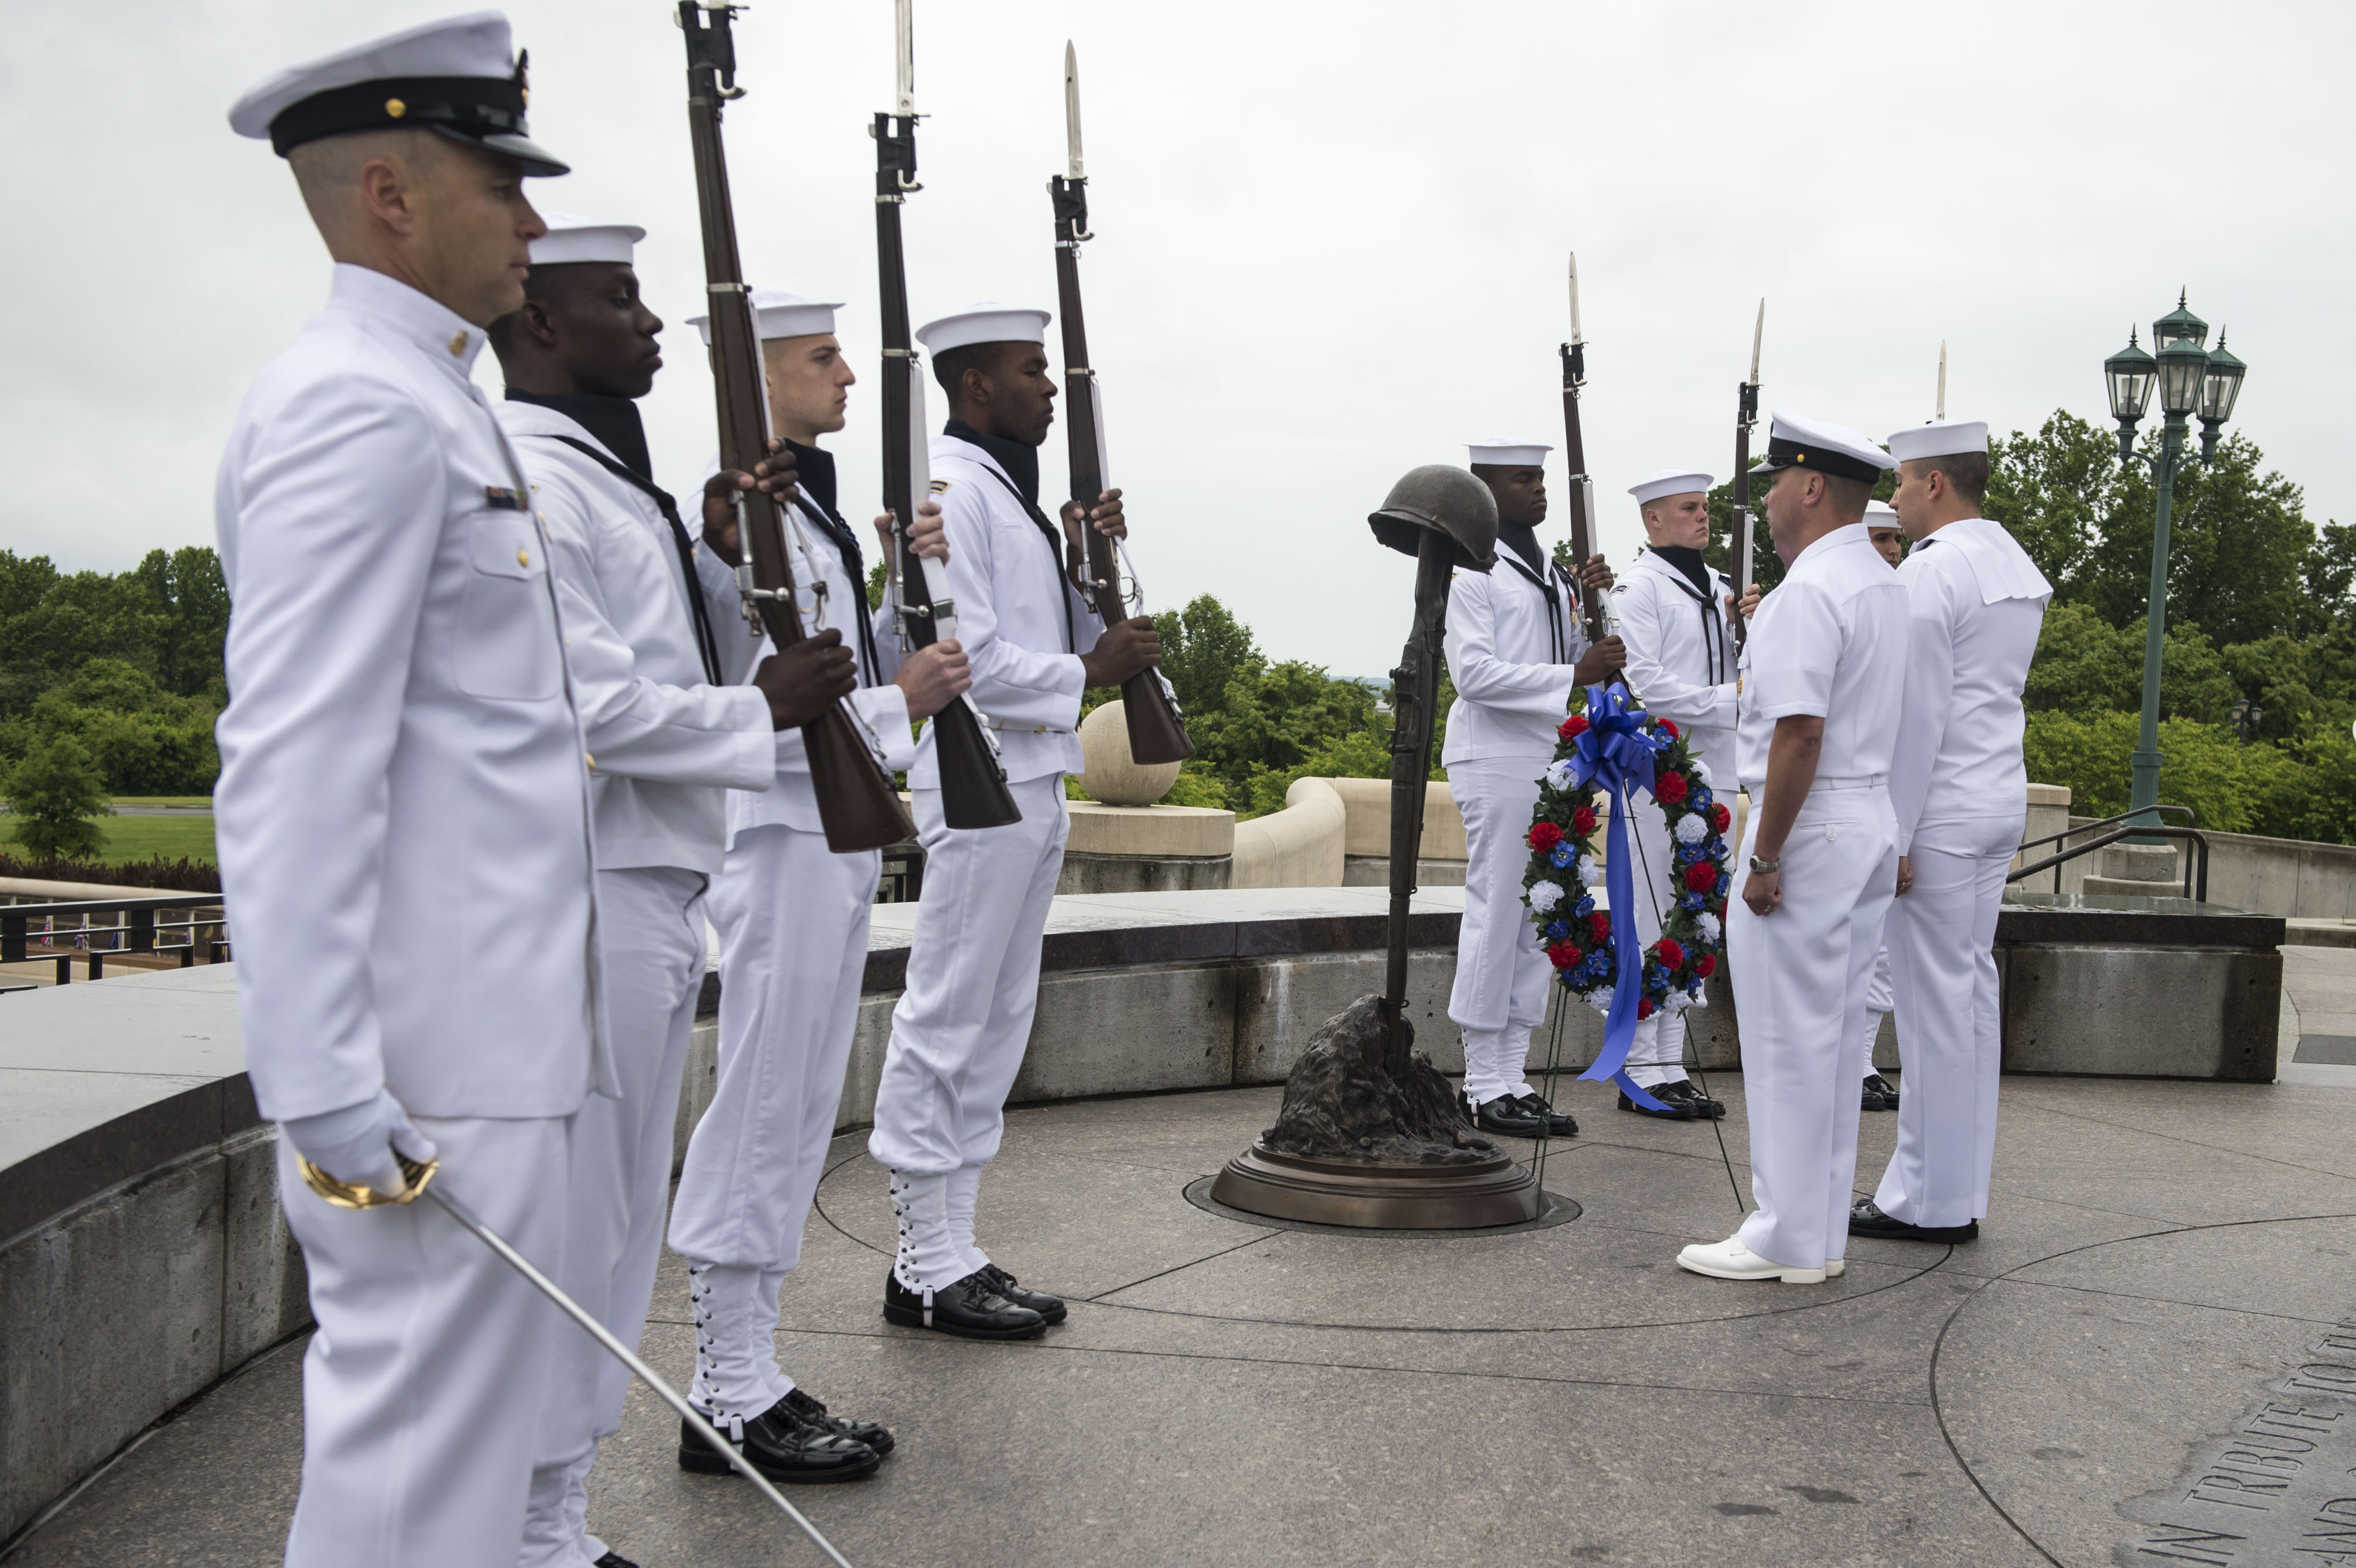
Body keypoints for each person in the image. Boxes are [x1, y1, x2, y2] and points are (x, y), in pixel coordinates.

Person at [217, 17, 599, 1566]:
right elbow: (299, 757)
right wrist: (322, 1092)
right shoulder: (355, 407)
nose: (533, 220)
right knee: (406, 1494)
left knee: (454, 1490)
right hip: (427, 1081)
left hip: (487, 1053)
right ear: (389, 190)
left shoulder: (431, 397)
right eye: (500, 179)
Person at [489, 221, 878, 1556]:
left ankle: (555, 1518)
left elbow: (658, 653)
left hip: (654, 879)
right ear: (540, 325)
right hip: (596, 887)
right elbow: (594, 702)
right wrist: (756, 709)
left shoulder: (610, 482)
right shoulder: (535, 478)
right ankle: (534, 1524)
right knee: (582, 1226)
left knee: (606, 1235)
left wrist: (719, 562)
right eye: (622, 300)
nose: (655, 324)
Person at [666, 289, 971, 1471]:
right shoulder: (735, 516)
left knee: (796, 1109)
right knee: (764, 1105)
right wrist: (904, 702)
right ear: (757, 378)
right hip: (776, 835)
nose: (849, 375)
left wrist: (902, 593)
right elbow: (754, 692)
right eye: (821, 357)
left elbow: (841, 667)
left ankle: (752, 1369)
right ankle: (725, 1389)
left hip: (824, 839)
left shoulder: (812, 514)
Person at [866, 303, 1162, 1338]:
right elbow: (971, 661)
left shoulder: (1010, 496)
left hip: (1032, 776)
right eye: (1032, 370)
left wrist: (1089, 560)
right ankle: (917, 1260)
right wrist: (1091, 669)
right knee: (948, 1015)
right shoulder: (953, 491)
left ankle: (953, 1244)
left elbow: (1049, 629)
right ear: (974, 385)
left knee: (994, 1023)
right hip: (983, 775)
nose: (1050, 386)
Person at [1675, 410, 1905, 1286]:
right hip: (1866, 817)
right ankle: (1816, 1234)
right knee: (1836, 1039)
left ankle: (1782, 1231)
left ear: (1811, 487)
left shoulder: (1809, 591)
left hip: (1807, 826)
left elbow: (1799, 733)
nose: (1765, 500)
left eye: (1773, 482)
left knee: (1785, 1040)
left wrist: (1765, 855)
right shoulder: (1886, 584)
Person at [1853, 419, 2051, 1245]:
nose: (1893, 498)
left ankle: (1923, 1199)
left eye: (1901, 480)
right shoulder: (2010, 564)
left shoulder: (1935, 572)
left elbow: (1917, 715)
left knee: (1937, 1008)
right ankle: (1958, 1188)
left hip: (1937, 808)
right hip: (1994, 796)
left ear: (1935, 483)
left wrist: (1892, 834)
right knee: (1968, 1000)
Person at [1442, 439, 1623, 1138]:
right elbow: (1476, 675)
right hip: (1495, 755)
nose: (1540, 490)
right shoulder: (1471, 568)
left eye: (1543, 477)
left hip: (1553, 755)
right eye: (1524, 479)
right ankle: (1482, 1082)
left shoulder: (1550, 570)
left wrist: (1591, 601)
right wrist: (1573, 675)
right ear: (1485, 490)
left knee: (1540, 920)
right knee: (1499, 915)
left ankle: (1513, 1073)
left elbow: (1575, 648)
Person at [1610, 469, 1760, 1121]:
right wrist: (1731, 700)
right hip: (1660, 770)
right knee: (1654, 911)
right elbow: (1648, 684)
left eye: (1705, 507)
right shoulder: (1638, 588)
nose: (1704, 517)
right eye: (1689, 508)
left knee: (1698, 911)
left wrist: (1759, 626)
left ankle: (1670, 1058)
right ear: (1654, 520)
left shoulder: (1721, 589)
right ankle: (1640, 1063)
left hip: (1717, 769)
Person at [1856, 498, 1906, 1117]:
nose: (1892, 551)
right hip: (1851, 796)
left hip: (1894, 795)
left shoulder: (1905, 603)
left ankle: (1863, 1061)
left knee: (1885, 951)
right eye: (1879, 540)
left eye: (1896, 540)